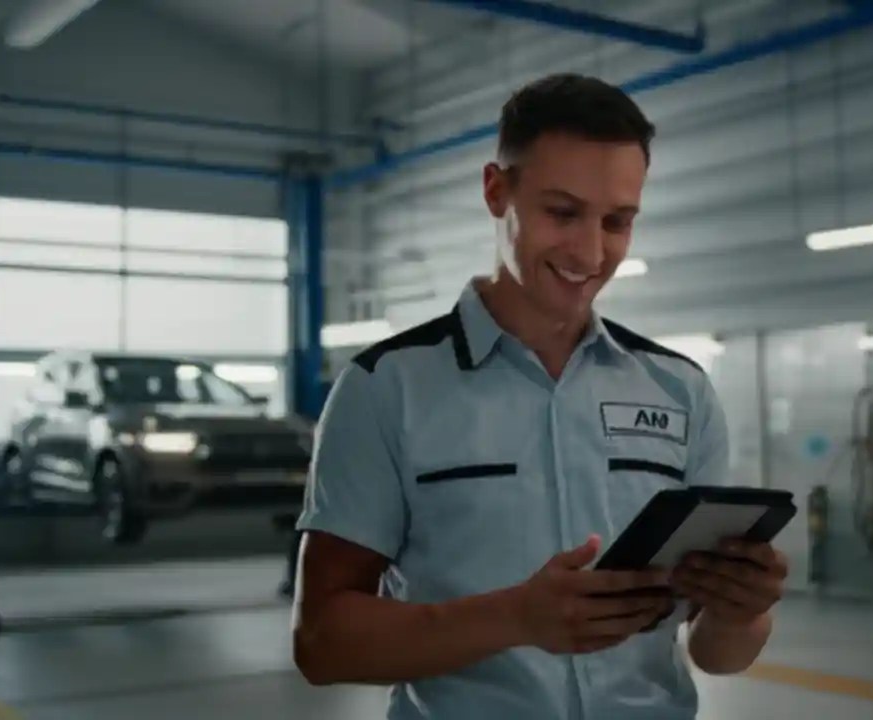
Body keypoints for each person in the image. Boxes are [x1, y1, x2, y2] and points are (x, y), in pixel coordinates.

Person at [291, 73, 789, 719]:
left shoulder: (680, 390)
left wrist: (741, 612)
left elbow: (716, 654)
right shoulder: (386, 388)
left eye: (617, 222)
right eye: (562, 213)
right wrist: (515, 618)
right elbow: (322, 643)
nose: (591, 251)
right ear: (496, 191)